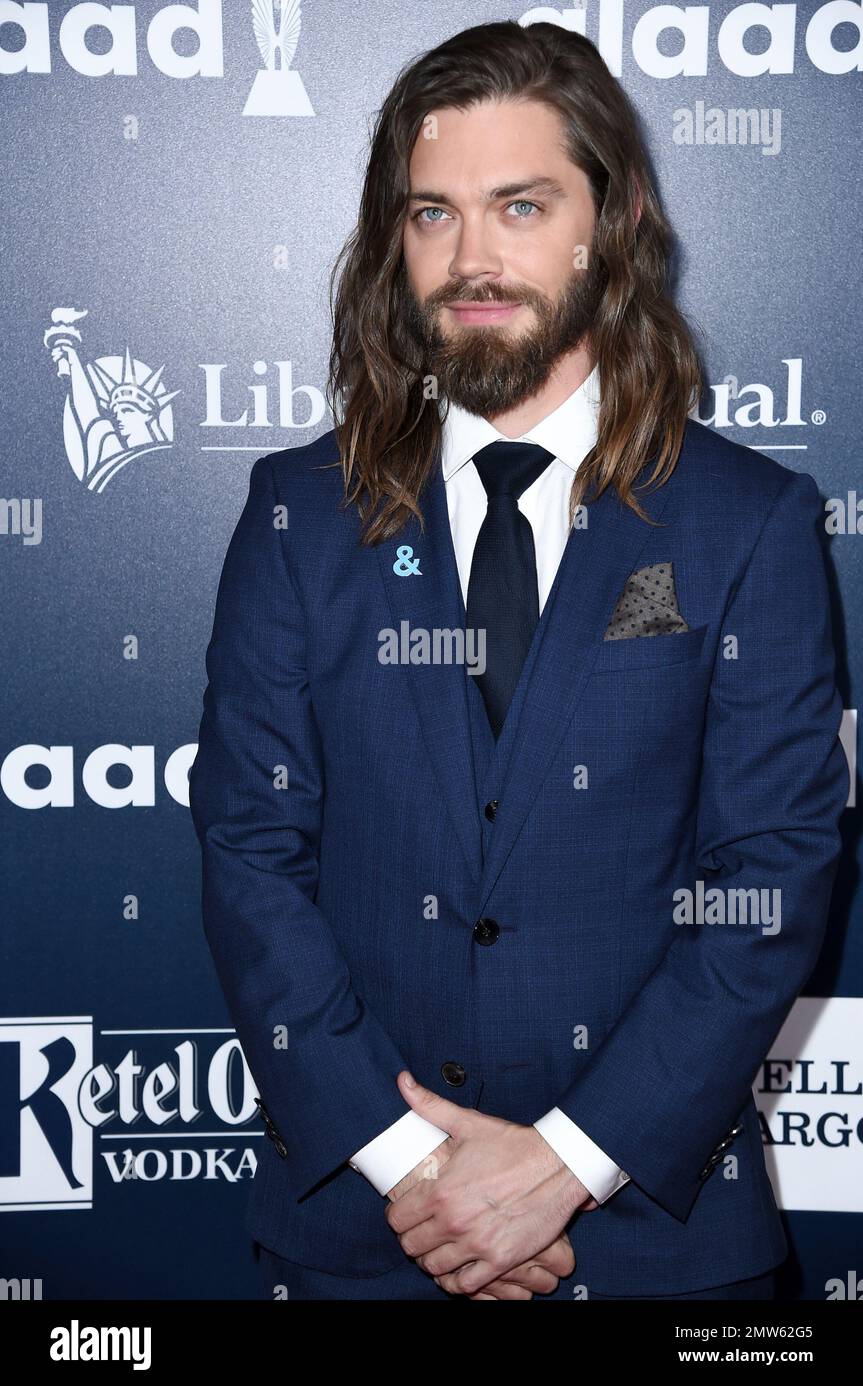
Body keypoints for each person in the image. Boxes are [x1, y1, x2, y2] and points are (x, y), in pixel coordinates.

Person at [188, 21, 847, 1301]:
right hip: (362, 1238)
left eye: (519, 205)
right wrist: (416, 1165)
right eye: (431, 214)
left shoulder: (744, 521)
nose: (471, 257)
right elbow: (249, 856)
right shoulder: (294, 516)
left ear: (611, 220)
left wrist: (562, 1165)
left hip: (663, 1247)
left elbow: (769, 873)